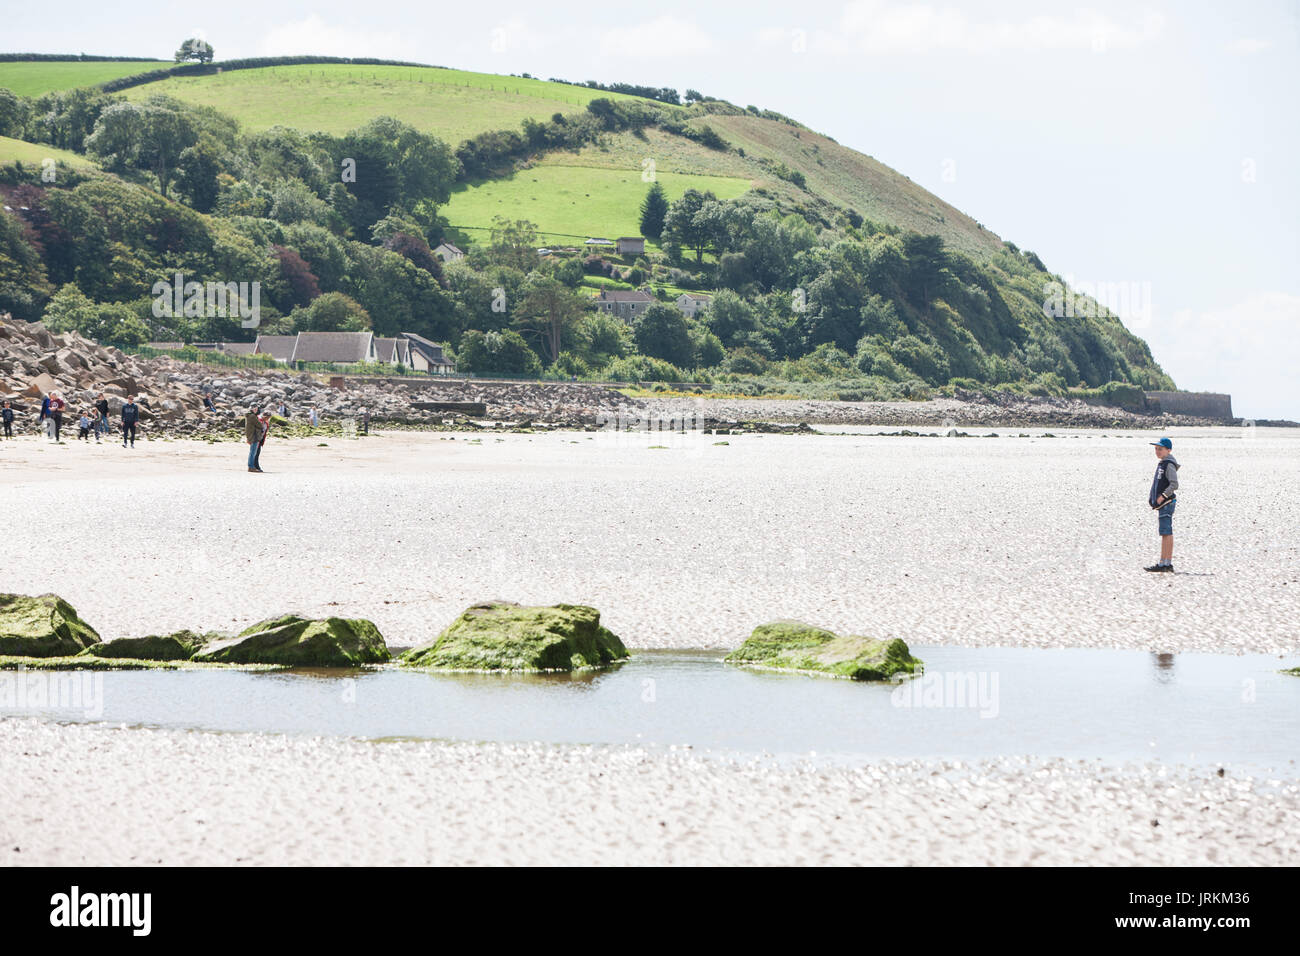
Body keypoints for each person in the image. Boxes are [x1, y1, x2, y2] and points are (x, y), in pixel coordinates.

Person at [1144, 437, 1180, 573]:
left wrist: (1163, 496)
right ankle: (1164, 562)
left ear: (1168, 450)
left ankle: (1166, 563)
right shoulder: (1162, 463)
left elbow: (1174, 484)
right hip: (1162, 504)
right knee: (1164, 533)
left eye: (1160, 449)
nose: (1157, 451)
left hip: (1167, 503)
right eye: (1156, 449)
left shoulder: (1169, 464)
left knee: (1167, 532)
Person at [245, 406, 263, 473]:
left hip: (251, 436)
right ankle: (251, 467)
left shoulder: (249, 416)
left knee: (252, 452)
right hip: (254, 436)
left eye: (256, 409)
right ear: (251, 409)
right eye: (254, 409)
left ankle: (252, 466)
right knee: (253, 453)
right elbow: (260, 425)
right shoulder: (252, 416)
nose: (256, 410)